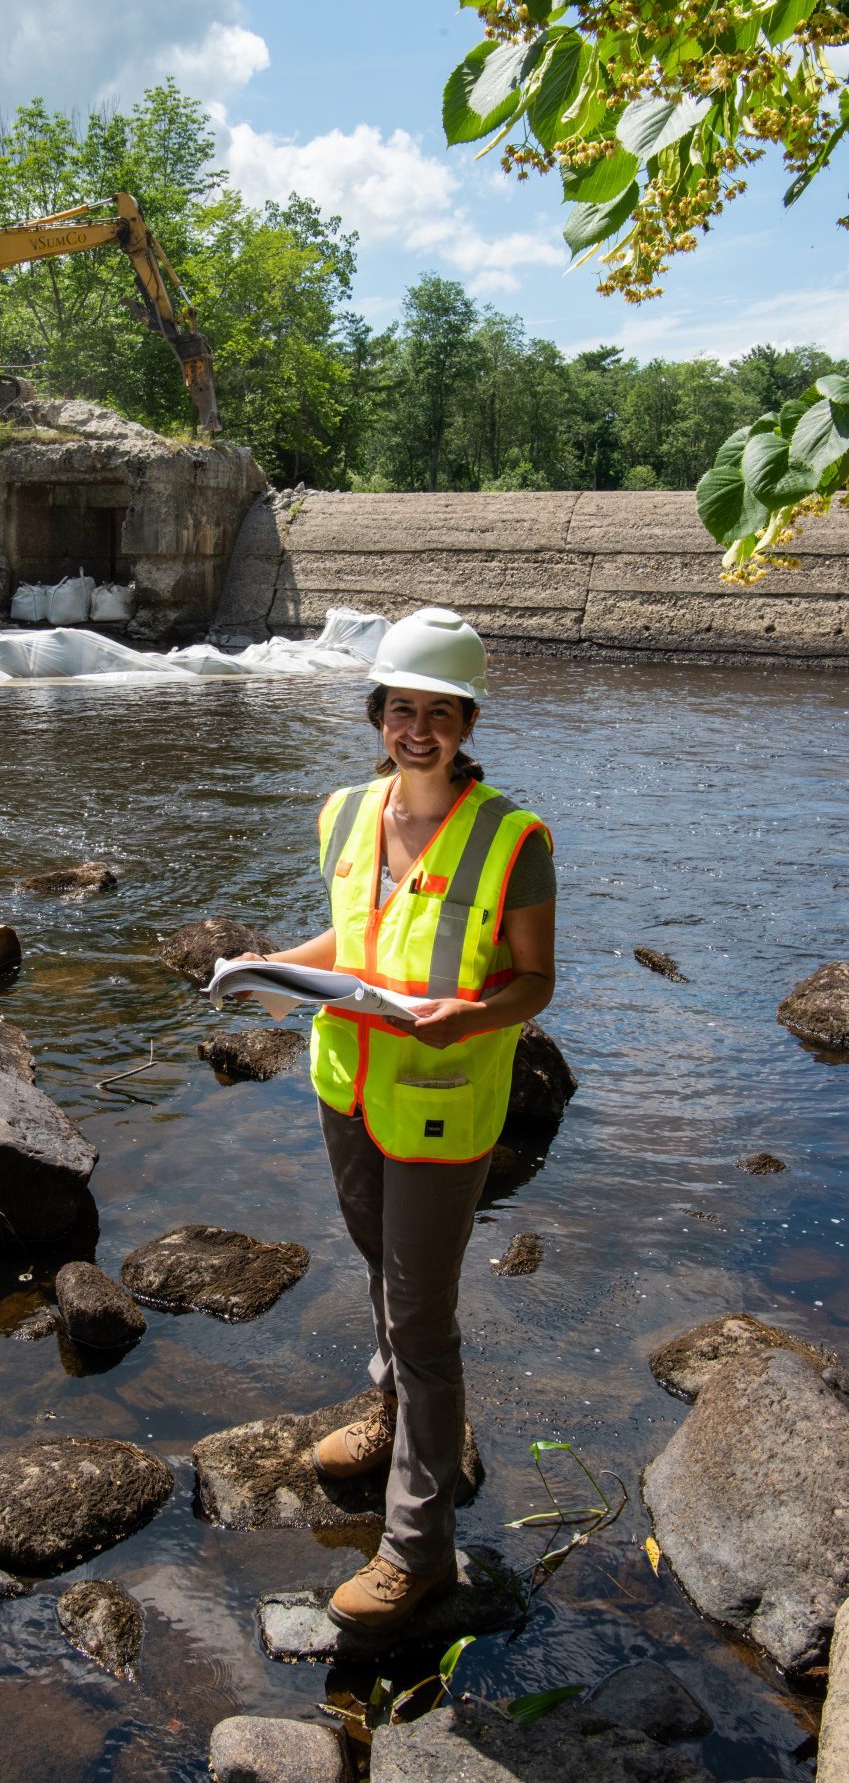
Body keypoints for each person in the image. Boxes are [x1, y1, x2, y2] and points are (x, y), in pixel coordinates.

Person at [259, 605, 556, 1631]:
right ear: (376, 713)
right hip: (348, 1083)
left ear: (467, 724)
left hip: (442, 1101)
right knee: (378, 1266)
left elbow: (534, 983)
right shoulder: (344, 812)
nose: (416, 730)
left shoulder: (513, 840)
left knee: (423, 1318)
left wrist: (463, 1017)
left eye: (439, 712)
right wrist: (271, 970)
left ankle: (417, 1551)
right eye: (400, 709)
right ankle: (390, 1416)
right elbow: (354, 942)